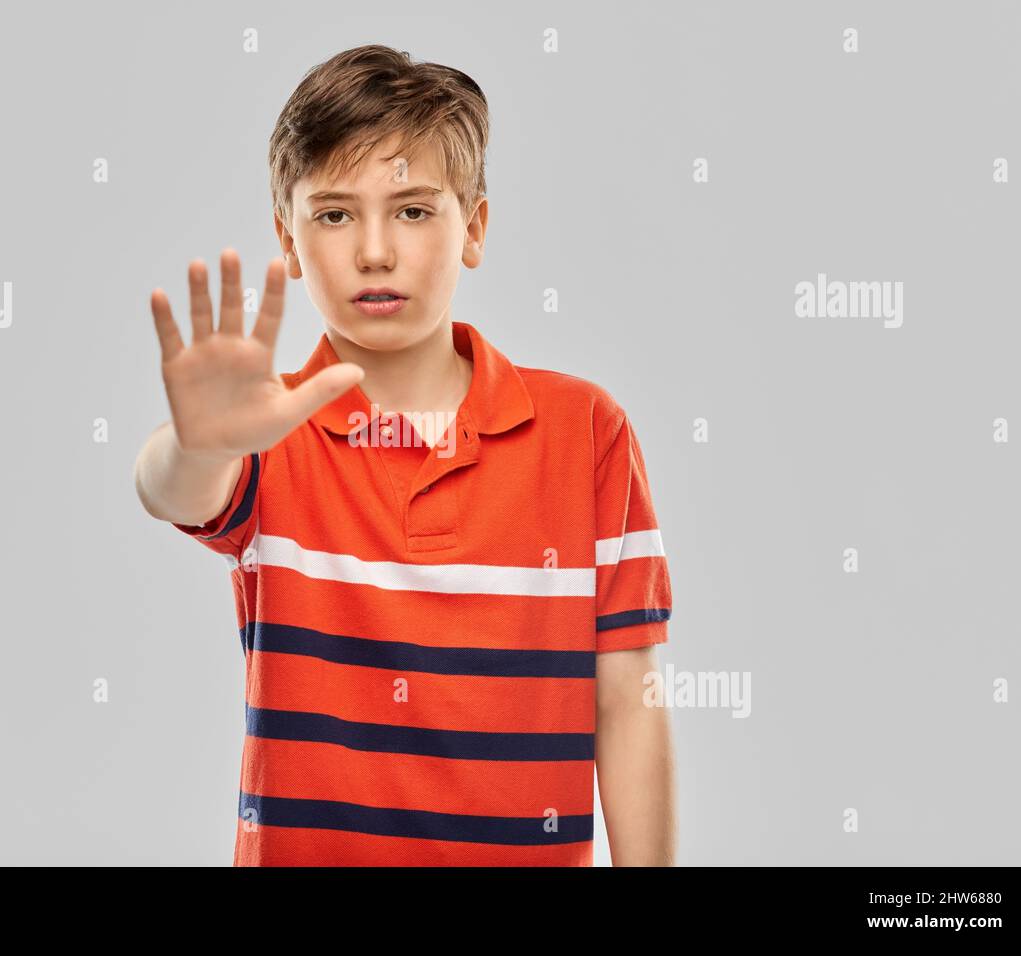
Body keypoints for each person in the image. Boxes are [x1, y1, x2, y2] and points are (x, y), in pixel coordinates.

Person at [133, 44, 674, 866]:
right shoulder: (269, 426)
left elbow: (629, 696)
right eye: (335, 214)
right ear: (289, 237)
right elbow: (172, 488)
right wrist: (198, 441)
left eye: (413, 211)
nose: (375, 251)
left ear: (474, 228)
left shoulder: (585, 430)